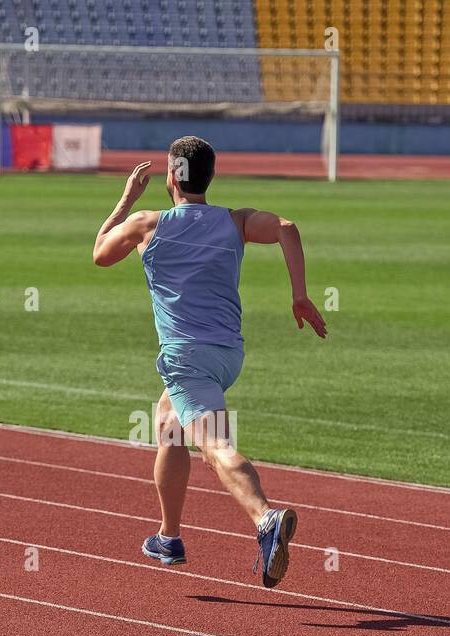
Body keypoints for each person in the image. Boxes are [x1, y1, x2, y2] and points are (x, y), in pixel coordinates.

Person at [92, 135, 327, 588]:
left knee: (214, 446)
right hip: (228, 354)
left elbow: (100, 254)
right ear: (210, 176)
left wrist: (125, 198)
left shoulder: (147, 223)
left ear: (170, 176)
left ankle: (265, 517)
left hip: (187, 356)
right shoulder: (233, 222)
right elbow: (287, 227)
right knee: (167, 424)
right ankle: (169, 536)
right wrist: (298, 294)